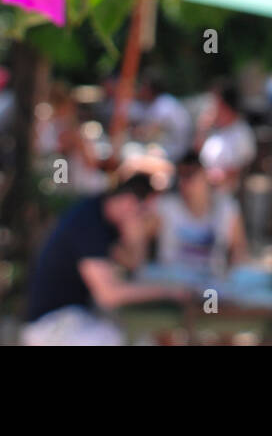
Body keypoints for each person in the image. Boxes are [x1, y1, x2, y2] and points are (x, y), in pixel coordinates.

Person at [22, 174, 185, 346]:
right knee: (117, 338)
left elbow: (134, 265)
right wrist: (169, 292)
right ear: (129, 202)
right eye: (141, 212)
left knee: (142, 338)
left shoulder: (103, 215)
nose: (143, 219)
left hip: (73, 319)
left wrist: (136, 237)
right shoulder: (88, 222)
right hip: (51, 326)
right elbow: (108, 295)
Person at [154, 152, 248, 273]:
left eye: (190, 175)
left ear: (205, 175)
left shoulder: (226, 207)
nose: (185, 183)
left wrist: (231, 278)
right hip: (172, 283)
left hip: (211, 284)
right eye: (180, 176)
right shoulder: (165, 207)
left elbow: (239, 249)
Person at [195, 81, 256, 184]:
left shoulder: (242, 134)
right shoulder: (215, 129)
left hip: (224, 195)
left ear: (225, 106)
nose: (211, 108)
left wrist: (210, 177)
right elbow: (198, 152)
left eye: (215, 104)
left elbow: (239, 172)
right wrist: (202, 129)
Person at [130, 73, 192, 162]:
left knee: (133, 155)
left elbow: (148, 133)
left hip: (175, 151)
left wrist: (132, 131)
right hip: (168, 145)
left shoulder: (163, 104)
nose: (141, 89)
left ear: (151, 89)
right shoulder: (162, 101)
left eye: (144, 86)